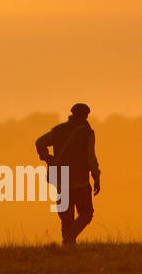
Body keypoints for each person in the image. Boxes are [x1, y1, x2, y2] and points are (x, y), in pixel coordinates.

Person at [35, 102, 100, 244]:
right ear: (85, 116)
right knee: (86, 213)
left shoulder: (59, 130)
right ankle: (69, 239)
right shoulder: (87, 133)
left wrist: (47, 158)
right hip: (80, 181)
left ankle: (68, 248)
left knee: (66, 217)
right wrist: (96, 177)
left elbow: (40, 142)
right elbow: (91, 158)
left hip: (61, 179)